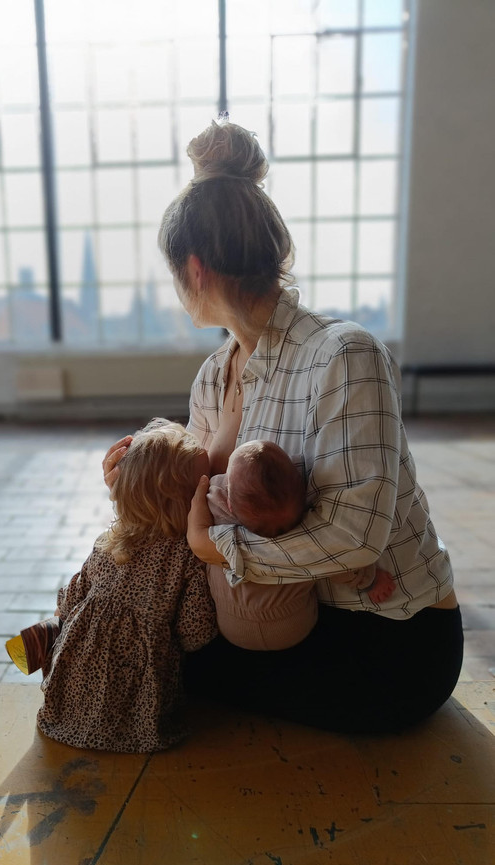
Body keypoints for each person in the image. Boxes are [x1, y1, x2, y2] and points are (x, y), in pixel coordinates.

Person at [103, 119, 463, 734]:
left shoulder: (344, 354)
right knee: (130, 638)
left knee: (148, 665)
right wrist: (133, 479)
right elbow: (200, 509)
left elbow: (355, 539)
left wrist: (214, 548)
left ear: (194, 270)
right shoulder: (214, 378)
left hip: (391, 638)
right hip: (283, 616)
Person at [8, 418, 217, 754]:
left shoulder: (108, 543)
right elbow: (196, 633)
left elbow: (73, 597)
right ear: (187, 503)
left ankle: (47, 667)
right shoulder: (186, 557)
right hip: (138, 722)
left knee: (69, 619)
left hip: (65, 712)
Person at [207, 439, 396, 651]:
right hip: (293, 623)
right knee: (316, 563)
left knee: (215, 558)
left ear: (230, 504)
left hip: (231, 623)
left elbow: (212, 490)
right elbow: (339, 565)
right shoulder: (306, 538)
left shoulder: (217, 503)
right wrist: (370, 579)